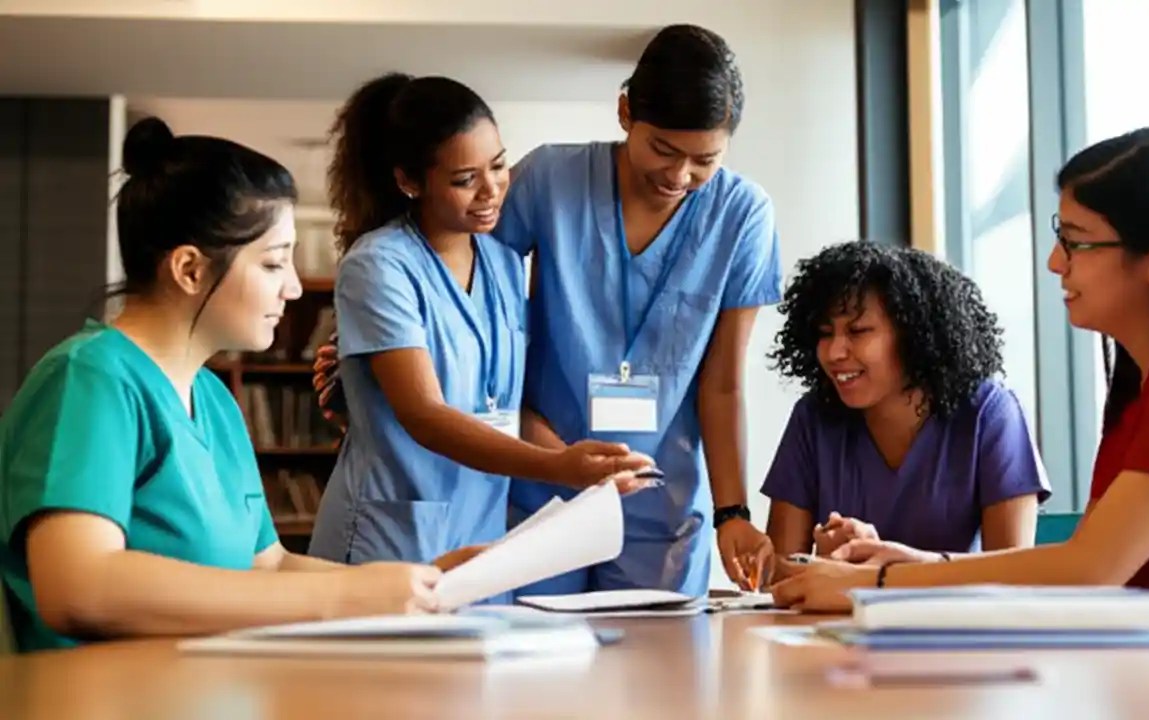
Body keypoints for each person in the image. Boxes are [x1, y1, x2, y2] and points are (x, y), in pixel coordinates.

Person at [313, 24, 782, 594]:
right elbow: (439, 303)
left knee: (654, 647)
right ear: (625, 112)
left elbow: (723, 381)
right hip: (525, 490)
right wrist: (364, 365)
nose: (680, 176)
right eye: (663, 149)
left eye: (704, 160)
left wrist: (734, 511)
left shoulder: (740, 215)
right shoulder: (544, 184)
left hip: (653, 493)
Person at [770, 127, 1149, 622]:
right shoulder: (1143, 384)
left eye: (1076, 243)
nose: (1055, 262)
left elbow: (1091, 570)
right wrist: (915, 565)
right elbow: (1087, 566)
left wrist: (878, 583)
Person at [0, 118, 463, 653]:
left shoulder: (215, 400)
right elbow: (78, 586)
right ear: (190, 269)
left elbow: (267, 564)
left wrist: (420, 585)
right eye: (273, 263)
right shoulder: (91, 378)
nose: (293, 288)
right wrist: (344, 597)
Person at [306, 75, 653, 576]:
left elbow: (503, 408)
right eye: (465, 179)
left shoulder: (505, 264)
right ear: (410, 182)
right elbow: (424, 414)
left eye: (498, 165)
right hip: (391, 537)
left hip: (482, 533)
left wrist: (586, 468)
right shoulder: (378, 265)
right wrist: (556, 467)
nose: (491, 190)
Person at [762, 241, 1050, 563]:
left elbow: (1010, 571)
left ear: (914, 335)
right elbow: (781, 573)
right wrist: (828, 563)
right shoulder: (814, 417)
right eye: (825, 333)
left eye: (858, 331)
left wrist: (880, 568)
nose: (833, 352)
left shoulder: (989, 413)